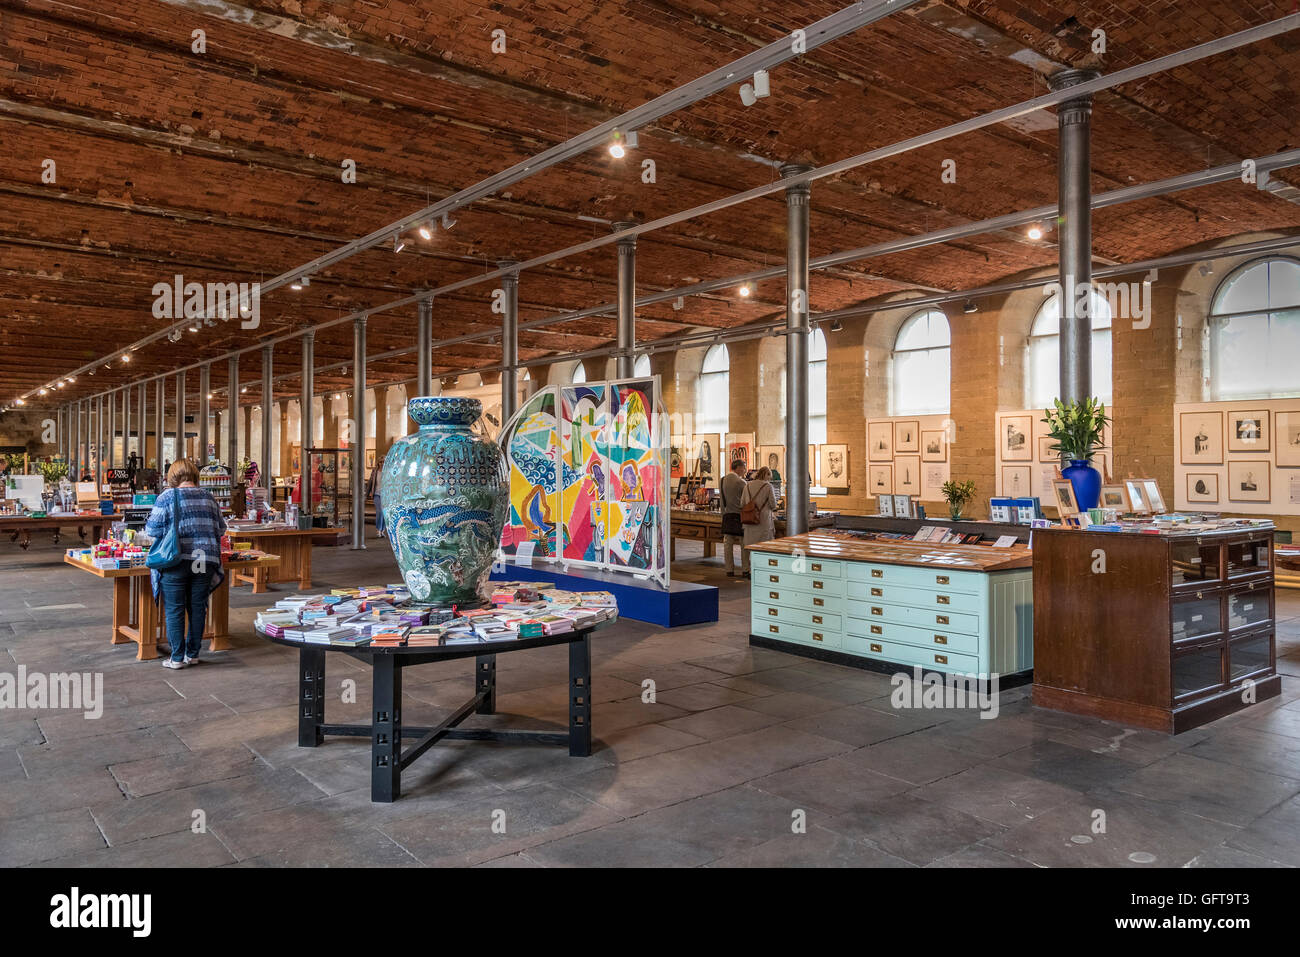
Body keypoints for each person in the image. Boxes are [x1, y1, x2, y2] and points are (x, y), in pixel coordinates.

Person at [143, 459, 227, 670]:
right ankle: (193, 654)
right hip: (202, 558)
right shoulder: (208, 497)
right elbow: (221, 528)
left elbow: (152, 530)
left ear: (172, 477)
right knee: (198, 607)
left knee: (175, 608)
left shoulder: (167, 497)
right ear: (194, 476)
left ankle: (177, 658)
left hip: (176, 559)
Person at [741, 466, 777, 570]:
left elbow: (742, 503)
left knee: (749, 548)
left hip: (749, 521)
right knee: (763, 548)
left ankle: (747, 570)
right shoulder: (768, 486)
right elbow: (773, 504)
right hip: (763, 522)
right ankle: (761, 570)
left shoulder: (747, 485)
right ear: (767, 475)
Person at [719, 458, 748, 577]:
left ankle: (729, 569)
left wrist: (723, 514)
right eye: (744, 467)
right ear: (739, 468)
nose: (745, 470)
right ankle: (745, 569)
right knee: (743, 544)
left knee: (727, 543)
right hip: (739, 515)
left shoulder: (722, 480)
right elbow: (746, 500)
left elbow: (721, 500)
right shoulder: (741, 482)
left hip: (727, 515)